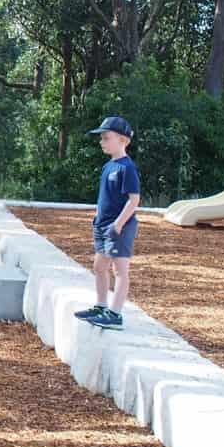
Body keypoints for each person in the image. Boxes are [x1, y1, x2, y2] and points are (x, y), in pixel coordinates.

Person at [74, 115, 141, 331]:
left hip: (118, 227)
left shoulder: (127, 168)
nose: (102, 142)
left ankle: (115, 314)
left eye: (106, 138)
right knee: (99, 266)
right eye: (101, 138)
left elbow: (134, 200)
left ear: (123, 140)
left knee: (120, 270)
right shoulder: (108, 167)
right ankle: (101, 306)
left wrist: (119, 224)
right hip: (102, 225)